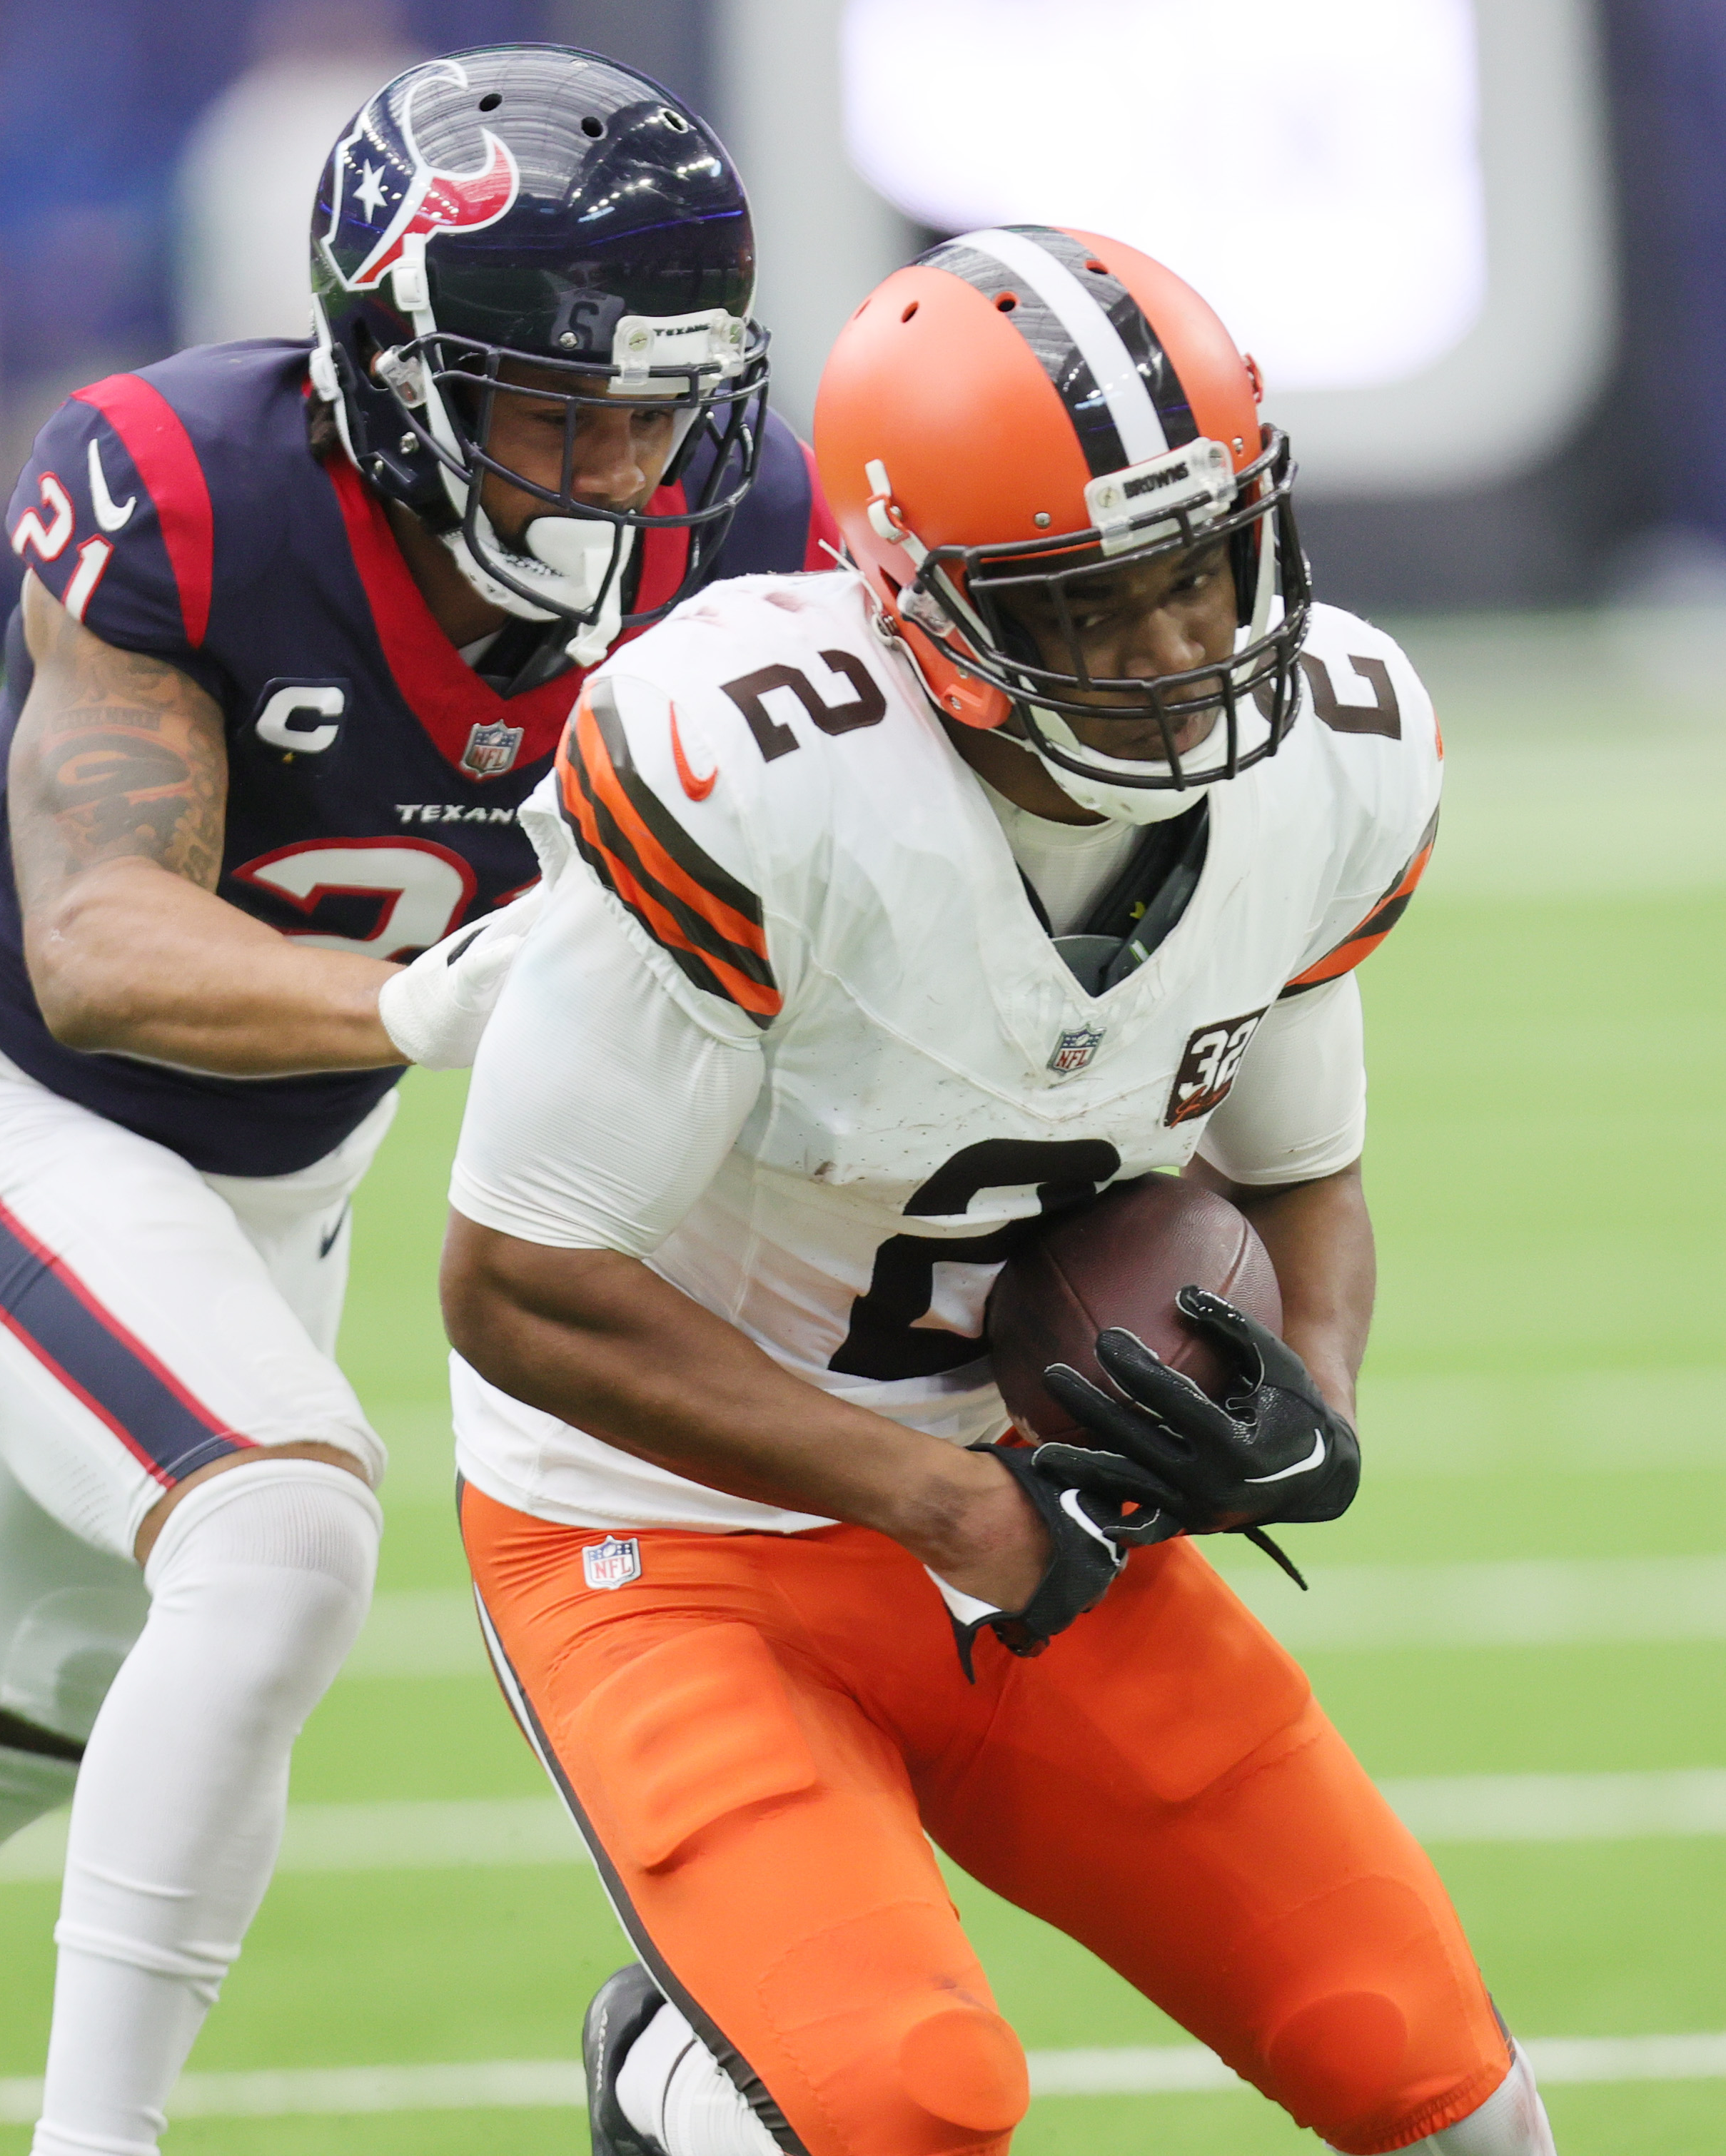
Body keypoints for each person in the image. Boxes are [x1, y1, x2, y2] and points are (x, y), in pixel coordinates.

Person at [0, 44, 834, 2155]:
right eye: (556, 401)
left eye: (659, 402)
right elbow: (98, 942)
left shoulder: (743, 528)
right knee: (276, 1528)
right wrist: (423, 1001)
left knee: (1, 1720)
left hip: (266, 1178)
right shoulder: (189, 481)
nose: (619, 461)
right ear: (390, 367)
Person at [439, 226, 1558, 2156]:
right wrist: (940, 1502)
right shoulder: (762, 781)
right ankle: (675, 2070)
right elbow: (516, 1287)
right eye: (1083, 606)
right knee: (905, 2107)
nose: (1166, 655)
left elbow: (1300, 1173)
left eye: (1195, 573)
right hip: (675, 1534)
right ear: (915, 606)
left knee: (1434, 2080)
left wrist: (1314, 1392)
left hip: (1033, 1511)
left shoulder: (1329, 763)